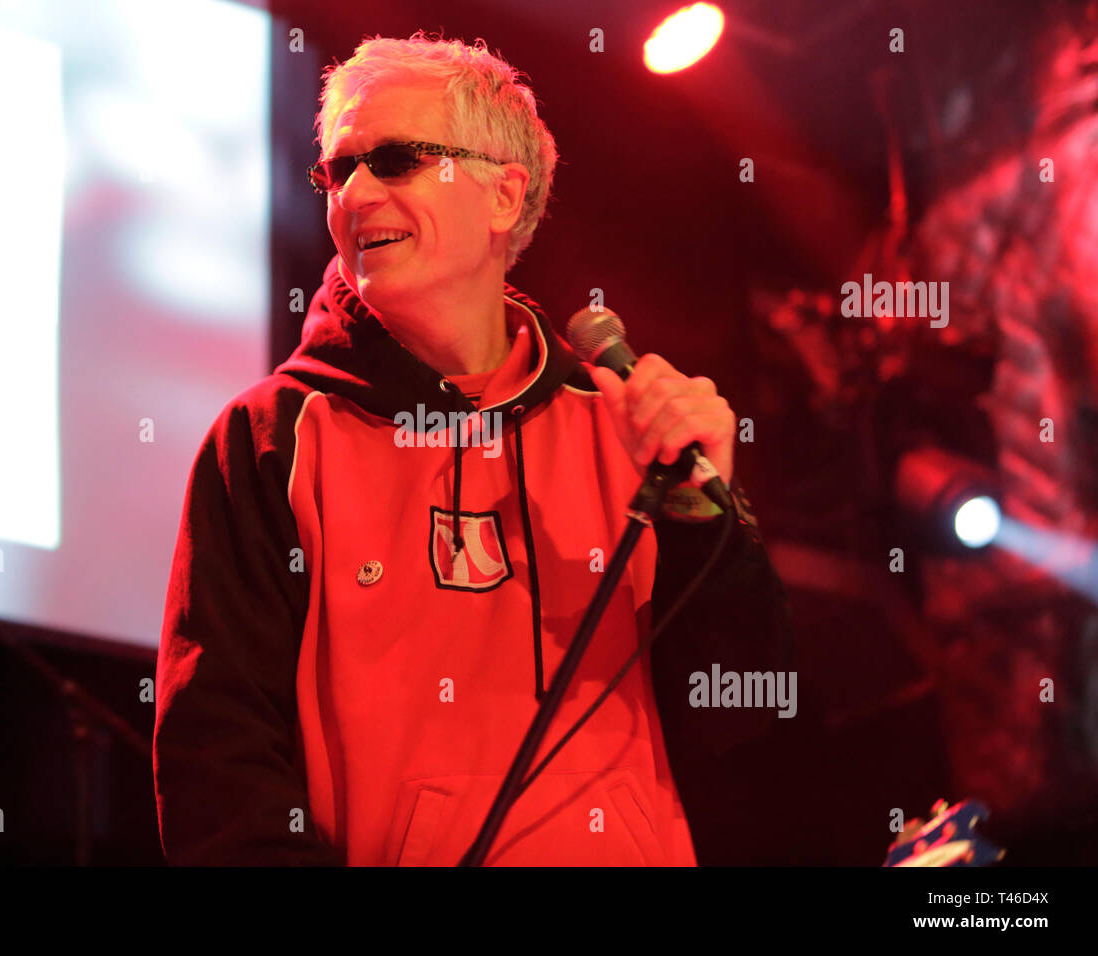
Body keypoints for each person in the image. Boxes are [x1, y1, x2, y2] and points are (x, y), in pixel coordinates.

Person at [153, 32, 793, 866]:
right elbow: (218, 764)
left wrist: (707, 519)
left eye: (394, 159)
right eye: (335, 171)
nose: (352, 195)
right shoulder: (274, 436)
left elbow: (746, 720)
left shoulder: (623, 425)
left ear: (502, 194)